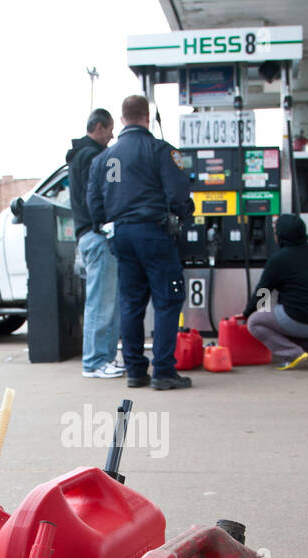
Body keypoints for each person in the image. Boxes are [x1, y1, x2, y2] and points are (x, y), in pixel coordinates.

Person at [87, 94, 194, 390]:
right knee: (168, 300)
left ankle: (135, 370)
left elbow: (93, 202)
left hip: (121, 234)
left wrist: (103, 225)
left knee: (131, 303)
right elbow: (178, 192)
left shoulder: (103, 159)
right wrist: (183, 216)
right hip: (155, 233)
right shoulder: (160, 150)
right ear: (147, 118)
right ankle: (163, 371)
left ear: (122, 120)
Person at [66, 108, 123, 380]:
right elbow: (103, 193)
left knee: (104, 301)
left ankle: (104, 359)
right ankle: (96, 361)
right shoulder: (95, 157)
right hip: (98, 235)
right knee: (102, 303)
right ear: (98, 127)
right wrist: (106, 222)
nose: (112, 136)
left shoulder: (79, 157)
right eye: (110, 129)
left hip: (88, 235)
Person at [241, 214, 308, 370]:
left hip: (301, 320)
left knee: (256, 322)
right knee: (283, 318)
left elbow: (264, 290)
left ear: (281, 234)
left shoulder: (279, 259)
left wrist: (248, 313)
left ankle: (292, 354)